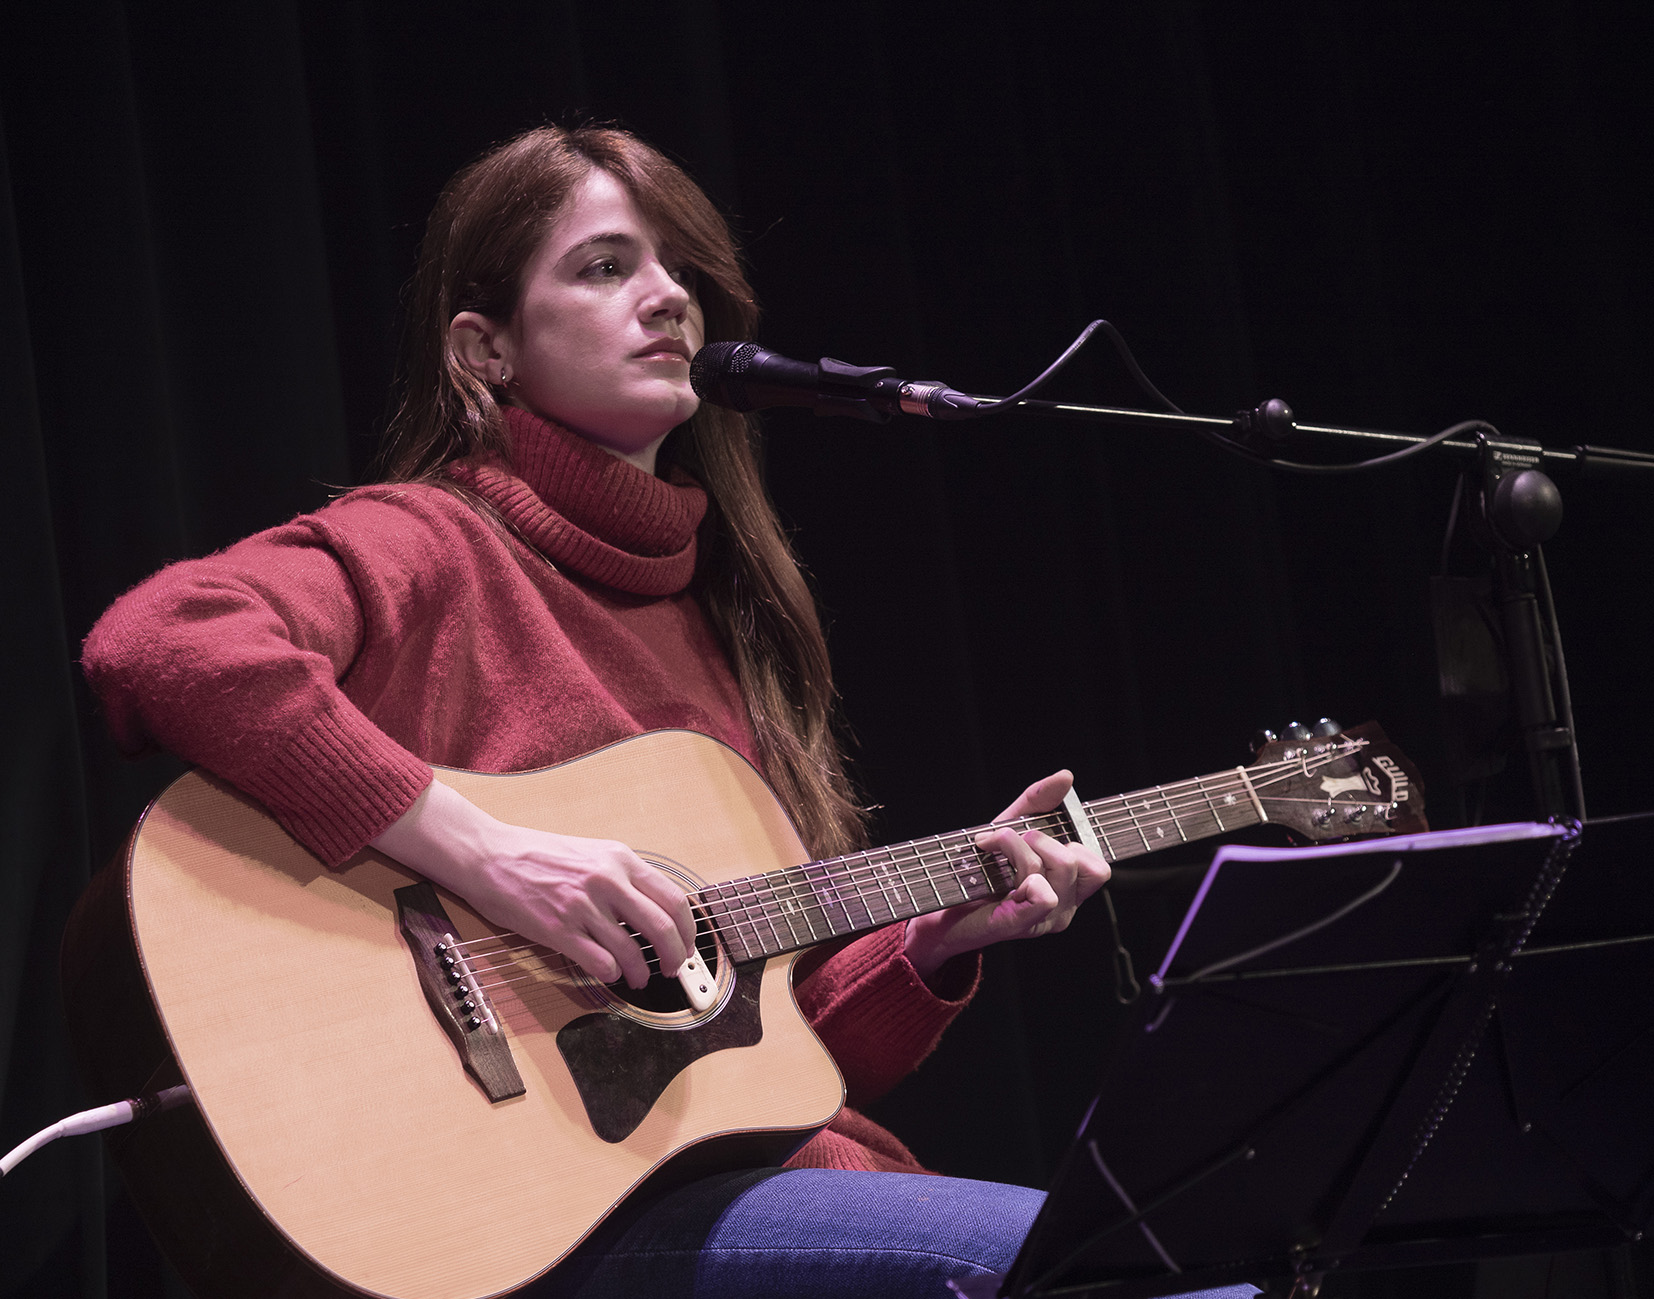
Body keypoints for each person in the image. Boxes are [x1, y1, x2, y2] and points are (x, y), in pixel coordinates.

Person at [82, 125, 1252, 1299]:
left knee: (1193, 1273)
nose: (667, 298)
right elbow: (164, 640)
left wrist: (935, 942)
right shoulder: (426, 543)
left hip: (709, 1189)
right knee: (1135, 1278)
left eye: (682, 269)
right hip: (510, 1223)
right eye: (605, 266)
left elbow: (762, 1070)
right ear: (486, 349)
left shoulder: (724, 622)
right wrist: (489, 856)